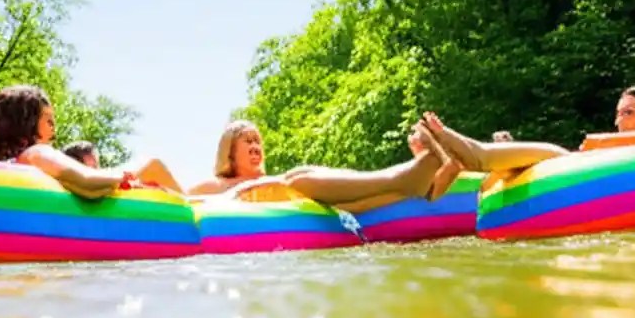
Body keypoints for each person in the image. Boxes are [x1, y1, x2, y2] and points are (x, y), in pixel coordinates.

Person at [419, 85, 635, 173]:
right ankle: (454, 145)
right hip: (564, 161)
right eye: (617, 114)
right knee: (496, 158)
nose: (619, 121)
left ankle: (457, 149)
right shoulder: (610, 144)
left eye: (628, 112)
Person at [184, 119, 452, 206]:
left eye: (258, 141)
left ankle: (422, 181)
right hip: (275, 202)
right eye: (247, 141)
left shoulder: (274, 178)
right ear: (229, 153)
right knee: (298, 180)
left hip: (308, 201)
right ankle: (409, 180)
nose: (256, 147)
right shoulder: (216, 184)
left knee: (300, 173)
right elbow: (181, 201)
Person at [0, 85, 184, 198]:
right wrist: (122, 177)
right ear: (27, 124)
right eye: (48, 121)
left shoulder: (6, 167)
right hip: (105, 184)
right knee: (152, 164)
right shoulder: (37, 153)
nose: (53, 129)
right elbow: (87, 181)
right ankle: (192, 209)